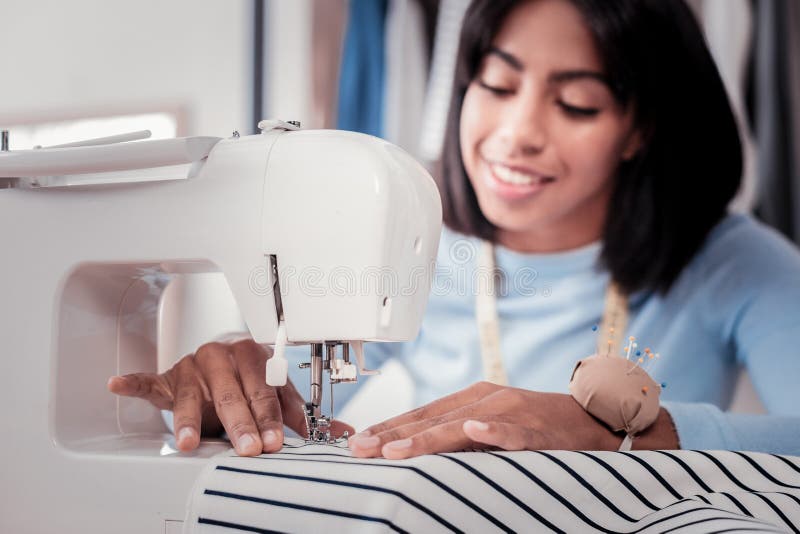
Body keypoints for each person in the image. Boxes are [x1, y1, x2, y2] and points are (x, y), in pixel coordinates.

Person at [109, 0, 800, 458]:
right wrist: (239, 376)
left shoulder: (735, 265)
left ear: (639, 129)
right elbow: (295, 396)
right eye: (496, 87)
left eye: (577, 104)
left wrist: (626, 435)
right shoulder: (417, 253)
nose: (516, 134)